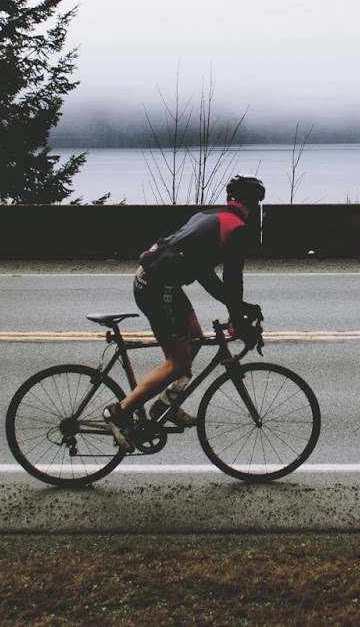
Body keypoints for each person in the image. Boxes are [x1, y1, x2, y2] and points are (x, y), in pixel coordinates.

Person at [102, 174, 266, 449]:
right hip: (157, 286)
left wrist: (239, 310)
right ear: (253, 204)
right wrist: (238, 316)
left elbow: (206, 274)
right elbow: (231, 280)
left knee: (196, 340)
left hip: (159, 280)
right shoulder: (236, 228)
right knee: (177, 363)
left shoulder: (210, 215)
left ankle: (165, 405)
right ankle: (119, 413)